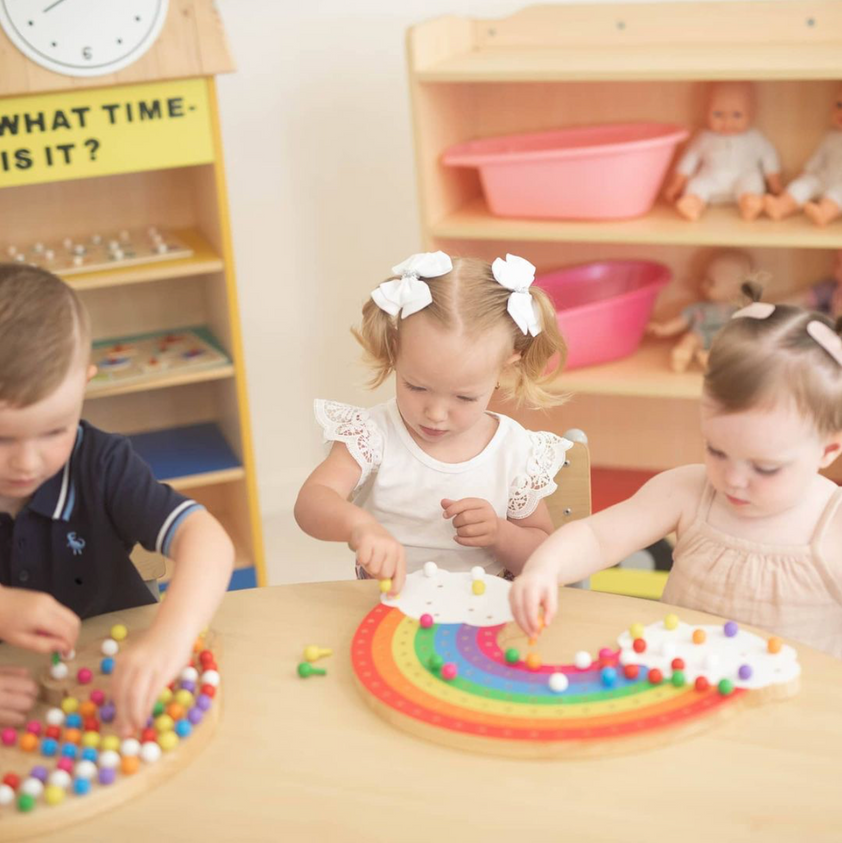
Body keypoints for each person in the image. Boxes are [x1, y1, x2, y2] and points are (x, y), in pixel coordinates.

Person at [511, 286, 842, 659]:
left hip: (795, 707)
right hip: (679, 686)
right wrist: (543, 569)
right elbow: (596, 537)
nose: (732, 478)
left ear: (829, 450)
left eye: (765, 467)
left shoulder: (832, 527)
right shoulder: (687, 490)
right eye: (717, 450)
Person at [0, 264, 234, 733]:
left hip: (118, 696)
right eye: (2, 438)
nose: (26, 463)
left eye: (54, 430)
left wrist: (168, 640)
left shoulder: (102, 466)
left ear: (83, 386)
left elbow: (207, 541)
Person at [295, 251, 572, 594]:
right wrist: (359, 526)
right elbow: (311, 502)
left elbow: (546, 558)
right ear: (395, 351)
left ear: (506, 367)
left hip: (488, 613)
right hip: (389, 606)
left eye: (464, 397)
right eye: (417, 387)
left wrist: (501, 534)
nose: (436, 414)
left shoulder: (514, 451)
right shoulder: (373, 434)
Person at [664, 81, 781, 221]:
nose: (727, 122)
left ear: (751, 113)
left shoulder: (754, 138)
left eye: (737, 115)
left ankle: (750, 204)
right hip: (712, 178)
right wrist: (677, 185)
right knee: (698, 184)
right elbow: (689, 160)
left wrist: (775, 184)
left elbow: (769, 156)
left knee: (752, 182)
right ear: (706, 111)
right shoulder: (705, 137)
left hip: (742, 176)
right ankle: (693, 204)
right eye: (718, 114)